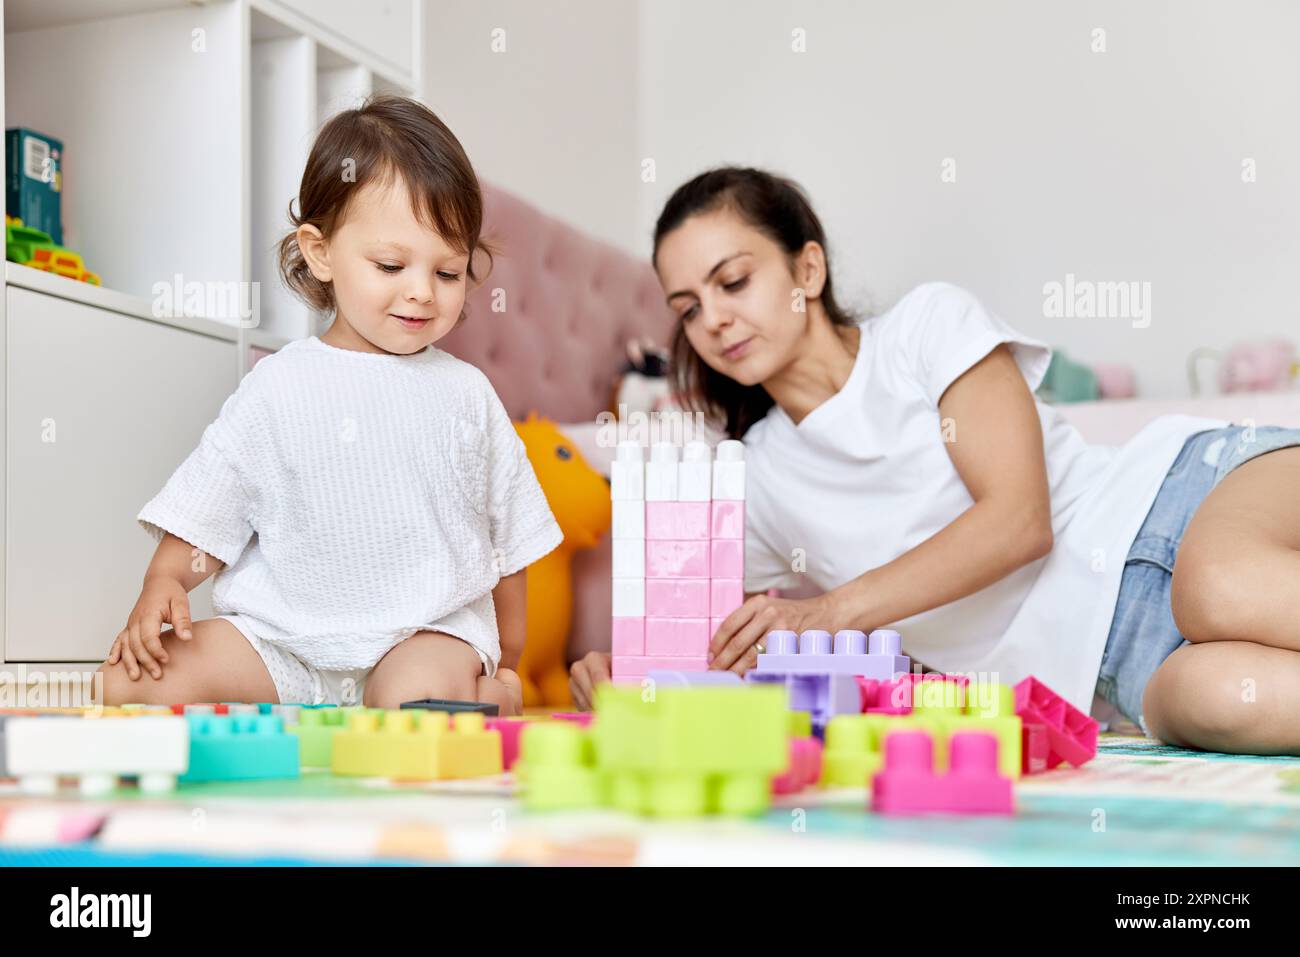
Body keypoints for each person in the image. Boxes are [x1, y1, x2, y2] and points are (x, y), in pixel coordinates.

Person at [572, 166, 1300, 756]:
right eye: (688, 307)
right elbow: (708, 640)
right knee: (1221, 701)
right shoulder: (758, 480)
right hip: (1120, 666)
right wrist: (626, 671)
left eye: (732, 281)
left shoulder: (925, 328)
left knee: (1219, 588)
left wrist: (829, 611)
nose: (714, 319)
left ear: (808, 269)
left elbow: (1019, 522)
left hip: (1181, 497)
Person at [99, 96, 562, 714]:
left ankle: (473, 697)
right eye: (392, 264)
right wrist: (164, 581)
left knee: (414, 707)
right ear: (320, 252)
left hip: (421, 639)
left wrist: (508, 660)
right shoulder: (277, 386)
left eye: (448, 274)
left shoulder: (467, 394)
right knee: (123, 685)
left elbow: (512, 539)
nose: (422, 292)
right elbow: (211, 510)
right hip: (281, 645)